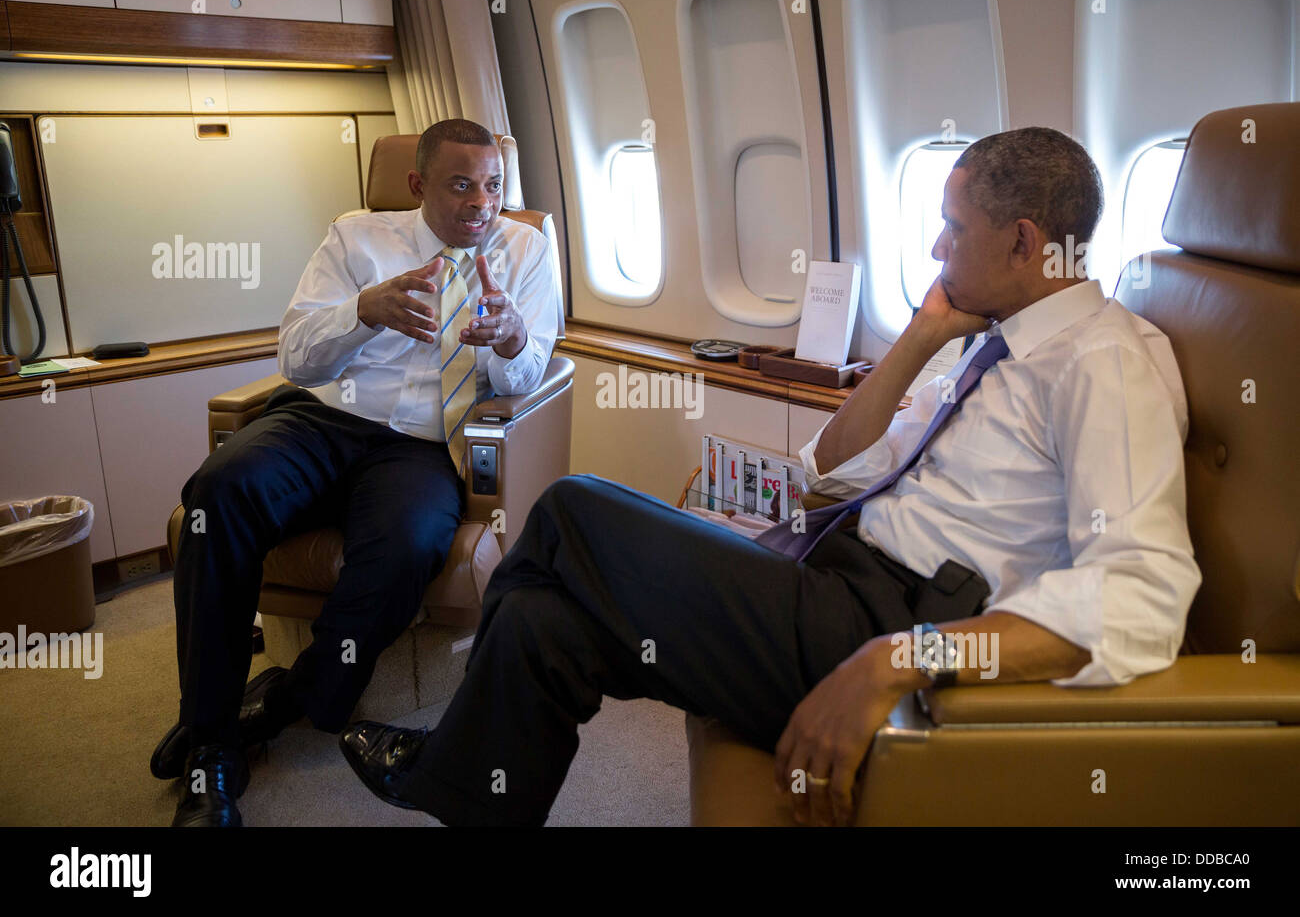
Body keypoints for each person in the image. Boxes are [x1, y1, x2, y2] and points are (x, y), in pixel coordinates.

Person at [339, 126, 1201, 827]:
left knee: (570, 510)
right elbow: (832, 467)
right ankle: (466, 796)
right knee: (537, 619)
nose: (937, 246)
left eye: (954, 227)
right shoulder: (984, 343)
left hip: (889, 618)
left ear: (1023, 241)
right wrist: (920, 339)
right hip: (829, 569)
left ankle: (438, 765)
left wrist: (902, 659)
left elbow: (1140, 592)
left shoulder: (1105, 361)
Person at [152, 118, 560, 827]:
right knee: (217, 496)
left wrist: (514, 337)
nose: (481, 203)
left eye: (493, 186)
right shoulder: (357, 237)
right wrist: (363, 311)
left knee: (407, 544)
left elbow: (529, 372)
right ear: (417, 184)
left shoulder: (525, 250)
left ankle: (293, 697)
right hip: (323, 420)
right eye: (461, 184)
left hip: (420, 445)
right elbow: (297, 357)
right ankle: (212, 748)